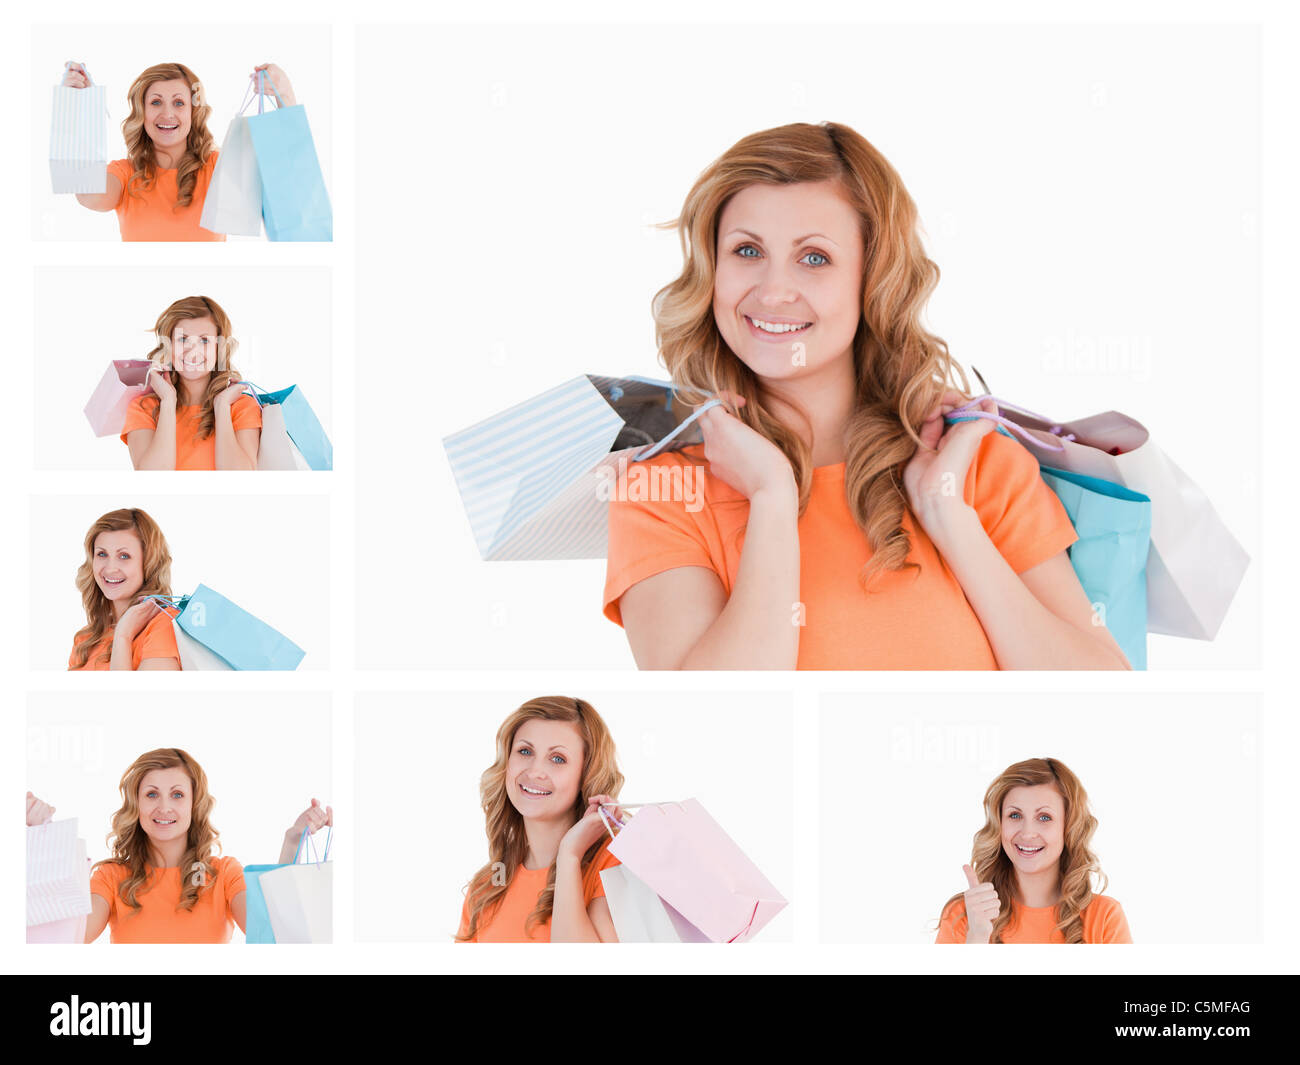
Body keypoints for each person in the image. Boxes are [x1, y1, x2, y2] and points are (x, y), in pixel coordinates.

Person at [602, 121, 1130, 670]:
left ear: (872, 278)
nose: (774, 290)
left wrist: (946, 514)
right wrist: (771, 497)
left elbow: (1100, 700)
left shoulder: (971, 467)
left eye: (814, 258)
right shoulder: (663, 491)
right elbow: (715, 725)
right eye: (747, 250)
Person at [25, 748, 331, 944]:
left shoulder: (223, 874)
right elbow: (73, 936)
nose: (164, 807)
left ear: (194, 804)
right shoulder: (111, 876)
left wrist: (293, 841)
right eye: (152, 794)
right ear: (136, 804)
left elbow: (269, 930)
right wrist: (42, 838)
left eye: (177, 795)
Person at [60, 60, 297, 241]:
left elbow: (284, 186)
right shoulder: (125, 174)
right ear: (141, 112)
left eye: (178, 102)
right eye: (155, 102)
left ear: (194, 113)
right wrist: (80, 110)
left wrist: (284, 95)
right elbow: (88, 195)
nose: (167, 114)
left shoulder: (218, 167)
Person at [457, 696, 624, 943]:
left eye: (558, 758)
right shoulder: (487, 886)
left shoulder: (613, 862)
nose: (535, 771)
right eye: (525, 751)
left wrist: (569, 855)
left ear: (586, 775)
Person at [935, 757, 1132, 944]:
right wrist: (977, 937)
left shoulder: (1104, 917)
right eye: (1014, 815)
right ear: (999, 824)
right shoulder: (965, 914)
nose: (1028, 833)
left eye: (1044, 817)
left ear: (1068, 827)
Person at [122, 295, 262, 470]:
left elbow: (238, 481)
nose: (193, 352)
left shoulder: (241, 407)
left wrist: (222, 407)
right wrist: (168, 402)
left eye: (204, 341)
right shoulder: (144, 408)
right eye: (183, 339)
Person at [68, 508, 180, 671]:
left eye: (124, 556)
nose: (110, 568)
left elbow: (131, 697)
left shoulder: (164, 625)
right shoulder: (86, 640)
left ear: (148, 563)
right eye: (102, 554)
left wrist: (123, 636)